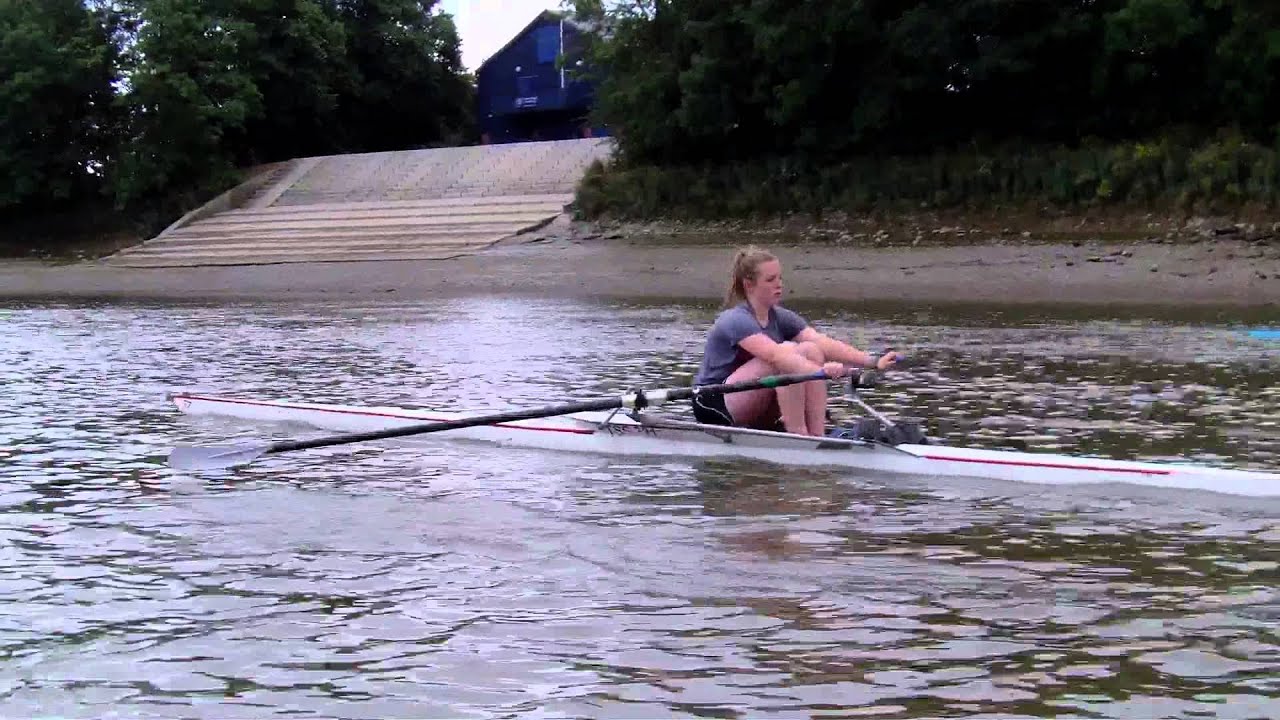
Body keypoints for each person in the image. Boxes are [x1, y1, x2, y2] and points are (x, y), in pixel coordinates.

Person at [691, 245, 899, 436]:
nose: (779, 285)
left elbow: (822, 342)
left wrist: (873, 361)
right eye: (770, 280)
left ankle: (817, 435)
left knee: (810, 349)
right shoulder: (735, 320)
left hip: (750, 397)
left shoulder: (781, 317)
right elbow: (776, 355)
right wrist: (821, 372)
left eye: (780, 278)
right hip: (714, 404)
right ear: (749, 285)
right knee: (788, 352)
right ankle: (798, 434)